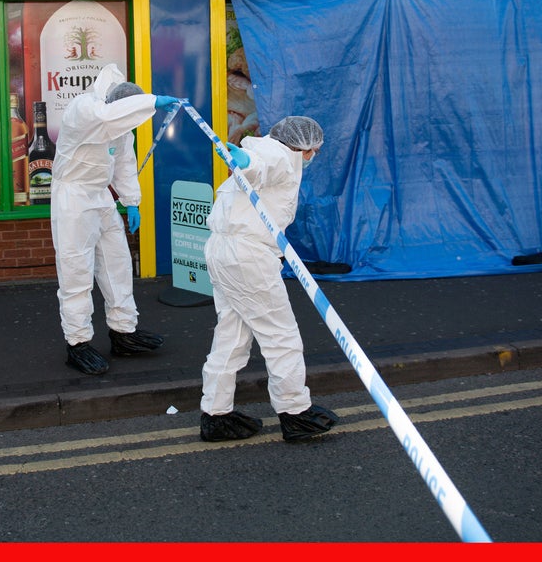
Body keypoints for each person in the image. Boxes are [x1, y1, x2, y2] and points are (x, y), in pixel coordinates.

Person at [199, 116, 340, 443]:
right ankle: (295, 411)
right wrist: (245, 161)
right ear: (304, 147)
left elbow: (256, 166)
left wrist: (245, 160)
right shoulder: (281, 156)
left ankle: (216, 413)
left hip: (222, 250)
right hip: (248, 256)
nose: (314, 156)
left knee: (232, 335)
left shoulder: (269, 150)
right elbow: (261, 166)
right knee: (281, 334)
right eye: (314, 150)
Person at [50, 63, 181, 375]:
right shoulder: (84, 109)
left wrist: (131, 202)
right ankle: (78, 343)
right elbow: (108, 117)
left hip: (101, 197)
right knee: (76, 271)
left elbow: (124, 162)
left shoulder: (119, 128)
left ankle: (124, 332)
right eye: (129, 112)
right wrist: (153, 101)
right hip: (73, 198)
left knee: (117, 264)